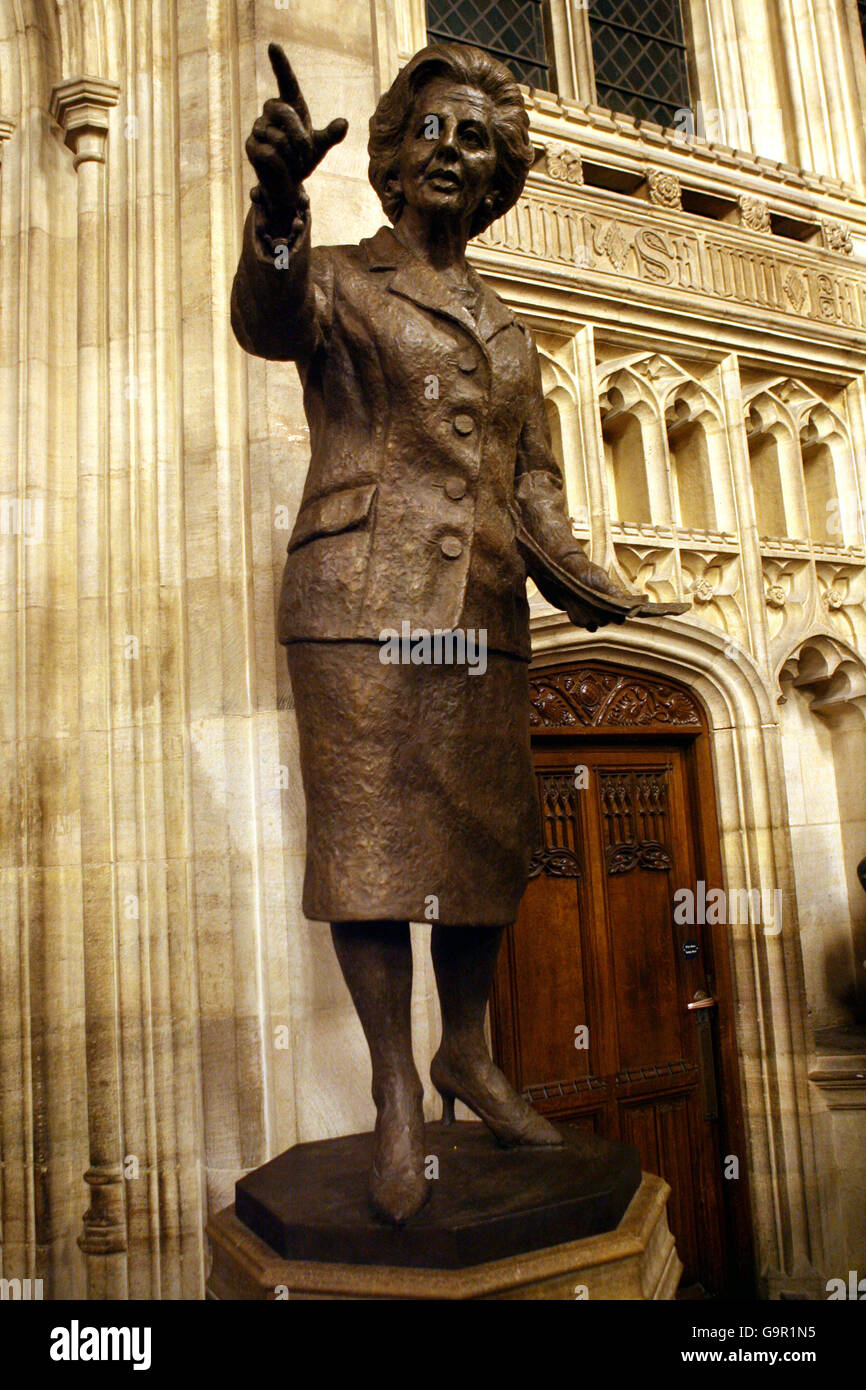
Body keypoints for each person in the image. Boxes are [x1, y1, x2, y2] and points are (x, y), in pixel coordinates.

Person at [231, 40, 628, 1225]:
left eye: (478, 140)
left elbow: (534, 484)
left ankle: (468, 1054)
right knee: (368, 847)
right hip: (357, 607)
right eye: (433, 134)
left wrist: (594, 583)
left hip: (479, 622)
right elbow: (267, 320)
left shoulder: (513, 333)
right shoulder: (344, 279)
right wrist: (276, 202)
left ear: (498, 175)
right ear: (395, 164)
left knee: (478, 845)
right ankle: (396, 1084)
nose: (453, 152)